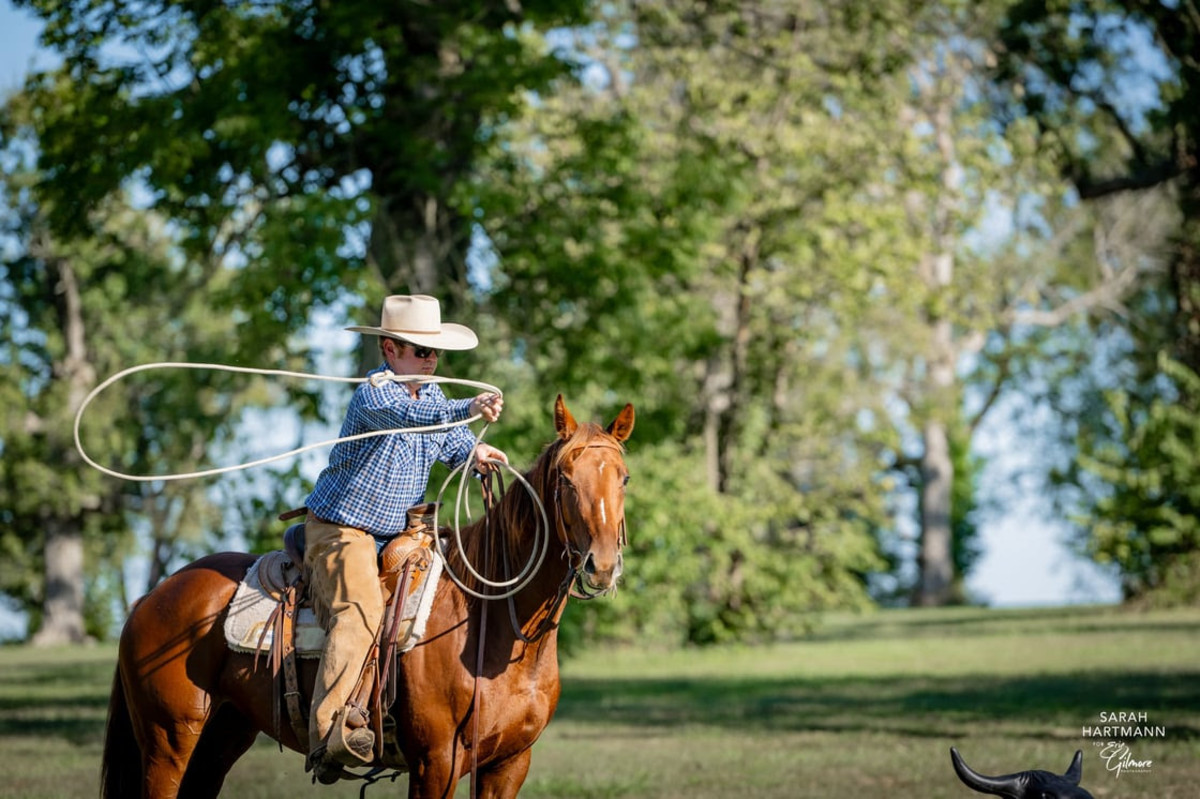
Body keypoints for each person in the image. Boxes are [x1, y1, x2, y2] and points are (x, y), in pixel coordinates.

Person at [303, 294, 507, 780]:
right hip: (342, 529)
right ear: (390, 350)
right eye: (419, 350)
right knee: (358, 614)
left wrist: (474, 455)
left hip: (401, 533)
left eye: (433, 351)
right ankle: (328, 734)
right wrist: (470, 405)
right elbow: (412, 419)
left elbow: (450, 440)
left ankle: (403, 712)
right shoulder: (375, 394)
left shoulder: (433, 396)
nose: (430, 359)